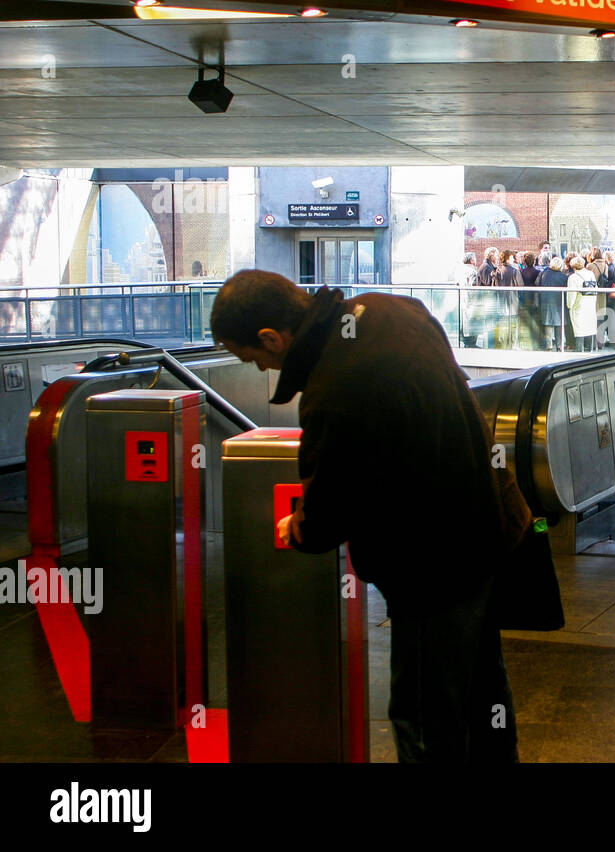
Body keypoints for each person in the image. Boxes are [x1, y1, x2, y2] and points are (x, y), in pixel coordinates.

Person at [208, 269, 519, 763]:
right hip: (485, 530)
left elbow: (331, 504)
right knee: (483, 696)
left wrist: (300, 527)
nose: (263, 369)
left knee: (422, 716)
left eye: (257, 358)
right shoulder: (393, 310)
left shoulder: (335, 387)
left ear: (272, 336)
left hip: (430, 567)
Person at [566, 255, 598, 352]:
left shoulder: (573, 277)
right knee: (589, 325)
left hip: (579, 304)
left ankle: (579, 349)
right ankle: (590, 348)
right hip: (590, 303)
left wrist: (569, 305)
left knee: (579, 327)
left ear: (573, 266)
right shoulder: (590, 274)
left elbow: (572, 294)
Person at [538, 256, 568, 350]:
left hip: (545, 301)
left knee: (548, 325)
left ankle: (549, 345)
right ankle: (560, 345)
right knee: (559, 324)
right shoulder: (563, 277)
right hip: (559, 302)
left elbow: (538, 284)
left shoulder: (544, 274)